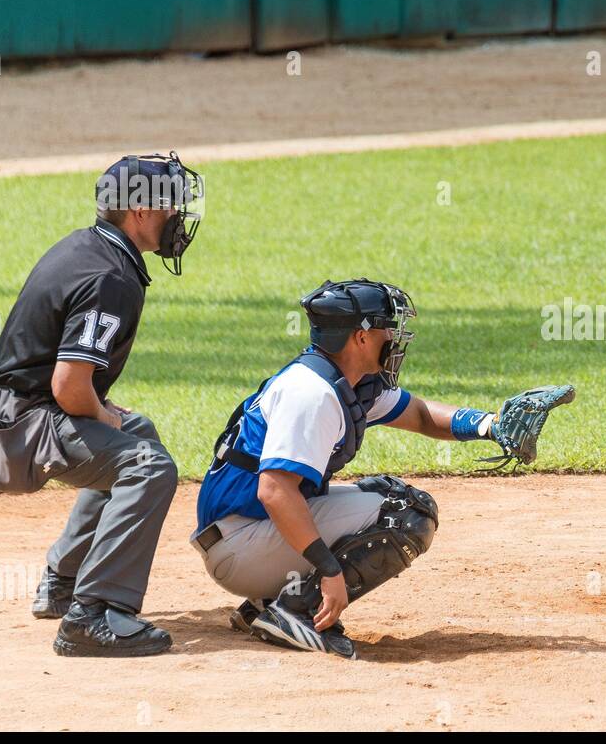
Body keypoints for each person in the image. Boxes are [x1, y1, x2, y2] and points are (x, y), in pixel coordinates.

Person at [194, 278, 573, 659]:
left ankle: (270, 602)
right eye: (387, 327)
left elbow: (422, 416)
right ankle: (296, 612)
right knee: (407, 515)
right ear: (360, 338)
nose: (395, 336)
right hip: (239, 545)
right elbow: (274, 491)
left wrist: (491, 425)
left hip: (248, 534)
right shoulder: (312, 394)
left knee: (390, 495)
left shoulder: (348, 381)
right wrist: (329, 570)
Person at [0, 151, 204, 655]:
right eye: (172, 207)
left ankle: (63, 582)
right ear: (141, 213)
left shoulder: (92, 249)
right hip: (25, 423)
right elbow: (68, 386)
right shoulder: (111, 277)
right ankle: (95, 614)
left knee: (137, 432)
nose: (180, 218)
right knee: (149, 467)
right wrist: (104, 417)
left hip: (17, 412)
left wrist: (111, 419)